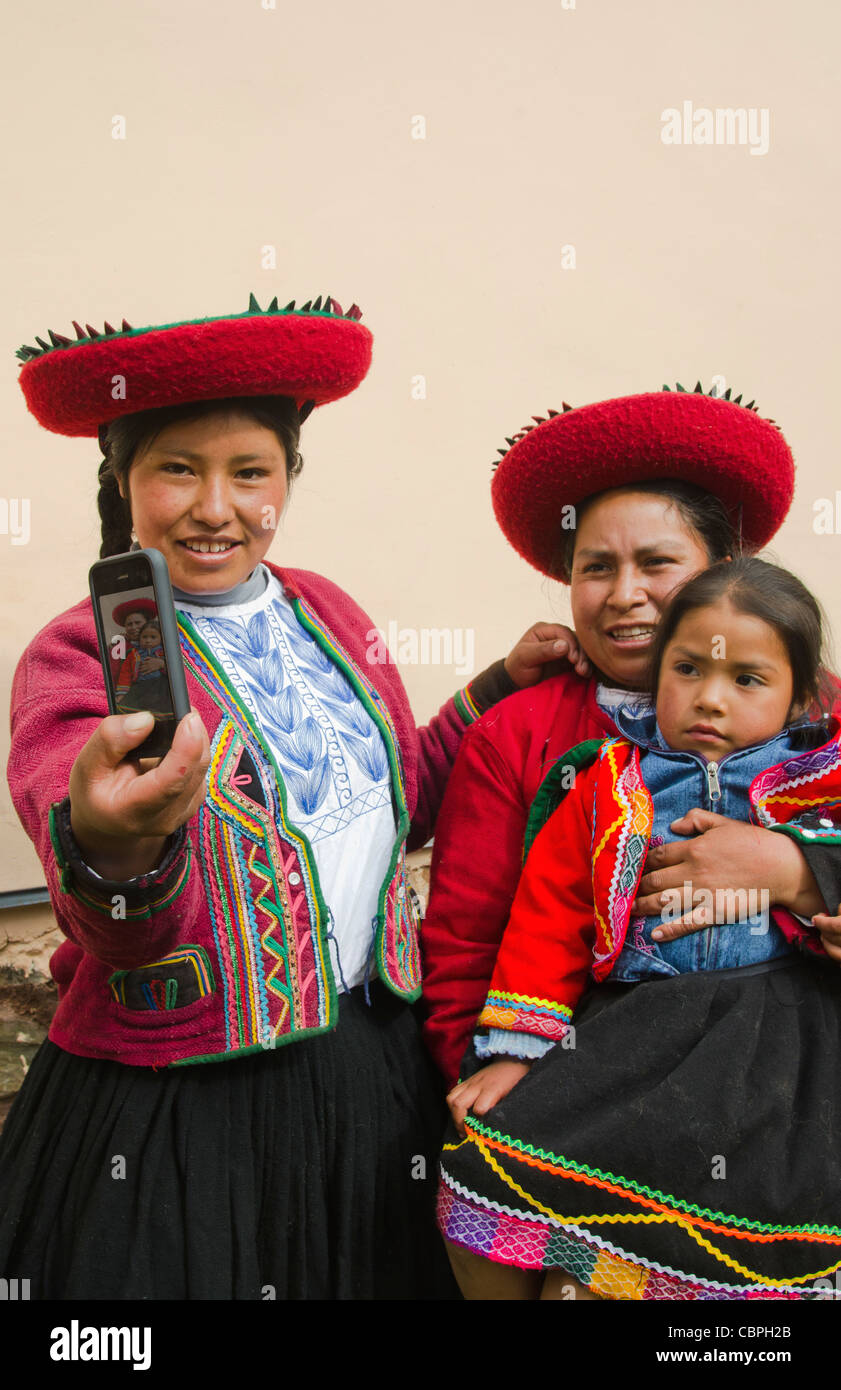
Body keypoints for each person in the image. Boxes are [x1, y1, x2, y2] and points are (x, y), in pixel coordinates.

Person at [0, 295, 579, 1300]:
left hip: (369, 1071)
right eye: (177, 468)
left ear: (286, 483)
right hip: (179, 1105)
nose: (216, 506)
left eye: (250, 472)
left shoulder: (325, 609)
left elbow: (396, 806)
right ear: (123, 484)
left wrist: (491, 690)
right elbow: (109, 911)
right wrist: (112, 836)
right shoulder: (89, 649)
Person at [439, 556, 841, 1300]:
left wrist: (803, 868)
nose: (709, 700)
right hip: (630, 1042)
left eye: (745, 679)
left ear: (798, 698)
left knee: (742, 1252)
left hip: (784, 1057)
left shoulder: (825, 779)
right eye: (687, 669)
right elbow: (548, 919)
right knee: (488, 1177)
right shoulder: (605, 785)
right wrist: (514, 1051)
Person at [421, 385, 841, 1092]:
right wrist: (492, 1082)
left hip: (796, 1093)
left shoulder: (818, 718)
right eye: (595, 567)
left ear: (722, 569)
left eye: (655, 563)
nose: (623, 594)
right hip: (592, 1095)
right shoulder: (519, 732)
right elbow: (465, 950)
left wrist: (793, 872)